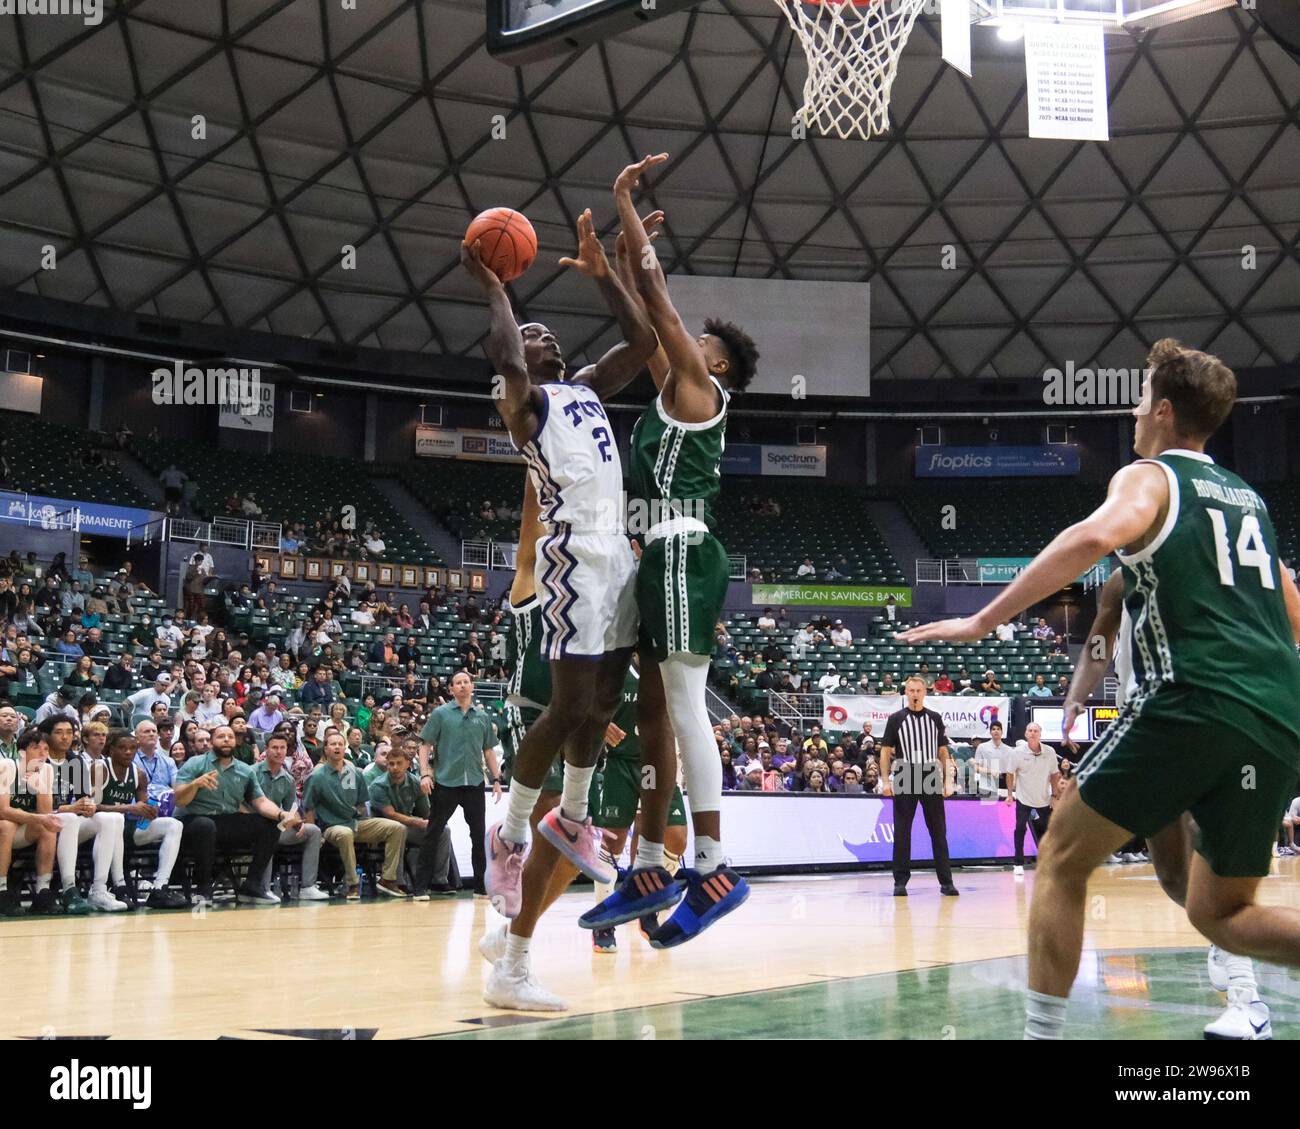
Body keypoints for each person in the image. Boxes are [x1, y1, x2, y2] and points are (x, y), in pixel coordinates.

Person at [901, 339, 1300, 1041]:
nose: (1134, 408)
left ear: (1166, 411)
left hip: (1192, 702)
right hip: (1275, 712)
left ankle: (1042, 1035)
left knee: (1061, 854)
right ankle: (1249, 1002)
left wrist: (983, 618)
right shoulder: (1250, 502)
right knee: (1217, 908)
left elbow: (1092, 536)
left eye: (1144, 398)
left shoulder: (1151, 476)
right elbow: (1292, 614)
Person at [460, 207, 657, 1012]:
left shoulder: (582, 391)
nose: (550, 341)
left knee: (602, 701)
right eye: (540, 335)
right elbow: (506, 352)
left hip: (616, 555)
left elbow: (643, 346)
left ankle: (573, 819)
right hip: (574, 554)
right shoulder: (527, 405)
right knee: (572, 701)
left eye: (551, 336)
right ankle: (510, 836)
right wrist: (493, 284)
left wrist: (610, 275)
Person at [1060, 565, 1271, 1039]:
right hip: (1143, 728)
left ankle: (1247, 1000)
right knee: (1175, 875)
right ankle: (1222, 938)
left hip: (1200, 713)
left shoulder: (1202, 563)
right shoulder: (1118, 582)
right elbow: (1098, 646)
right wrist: (1076, 697)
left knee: (1205, 848)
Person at [581, 655, 690, 953]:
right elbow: (585, 702)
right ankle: (604, 921)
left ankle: (647, 906)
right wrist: (601, 724)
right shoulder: (615, 667)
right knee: (612, 844)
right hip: (622, 763)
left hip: (659, 762)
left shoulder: (671, 668)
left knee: (676, 837)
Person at [172, 724, 298, 906]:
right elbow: (179, 800)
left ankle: (252, 885)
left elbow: (261, 802)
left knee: (270, 825)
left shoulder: (245, 770)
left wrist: (281, 814)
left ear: (236, 741)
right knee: (205, 826)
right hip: (192, 822)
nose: (226, 740)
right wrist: (195, 785)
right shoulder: (196, 763)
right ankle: (204, 889)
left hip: (226, 821)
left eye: (230, 736)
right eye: (221, 736)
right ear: (212, 741)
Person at [415, 671, 501, 898]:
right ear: (451, 689)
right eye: (457, 683)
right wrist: (425, 774)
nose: (462, 686)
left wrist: (496, 779)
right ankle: (420, 887)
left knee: (478, 835)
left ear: (472, 686)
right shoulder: (441, 714)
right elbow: (424, 746)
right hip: (445, 782)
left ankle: (481, 888)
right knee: (433, 834)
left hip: (473, 783)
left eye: (466, 682)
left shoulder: (482, 717)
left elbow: (489, 750)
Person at [879, 676, 958, 898]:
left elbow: (943, 752)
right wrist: (885, 781)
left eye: (918, 690)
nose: (914, 694)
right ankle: (900, 882)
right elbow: (885, 751)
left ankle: (946, 882)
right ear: (905, 692)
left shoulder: (934, 718)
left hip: (931, 773)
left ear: (925, 692)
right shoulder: (896, 719)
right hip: (905, 772)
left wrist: (947, 781)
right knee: (903, 831)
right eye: (911, 690)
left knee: (938, 832)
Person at [304, 730, 407, 900]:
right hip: (331, 827)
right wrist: (317, 835)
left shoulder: (354, 773)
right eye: (332, 744)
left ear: (345, 748)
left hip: (355, 822)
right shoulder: (316, 776)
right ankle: (352, 884)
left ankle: (387, 879)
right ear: (326, 750)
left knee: (397, 828)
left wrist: (370, 831)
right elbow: (309, 808)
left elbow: (361, 805)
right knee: (345, 834)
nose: (337, 747)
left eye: (340, 744)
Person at [93, 728, 188, 909]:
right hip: (100, 830)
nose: (128, 752)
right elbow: (89, 807)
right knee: (114, 818)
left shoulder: (139, 774)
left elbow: (141, 809)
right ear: (111, 749)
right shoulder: (99, 769)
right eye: (122, 748)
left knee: (173, 825)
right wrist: (128, 807)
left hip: (127, 829)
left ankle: (160, 888)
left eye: (132, 748)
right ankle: (110, 887)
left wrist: (150, 812)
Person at [41, 717, 127, 912]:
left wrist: (88, 805)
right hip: (44, 821)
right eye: (59, 732)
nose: (65, 737)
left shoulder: (75, 761)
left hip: (66, 824)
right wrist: (67, 809)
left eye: (70, 732)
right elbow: (38, 808)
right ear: (47, 735)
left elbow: (83, 797)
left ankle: (99, 890)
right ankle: (69, 889)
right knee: (70, 818)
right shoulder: (39, 759)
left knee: (111, 818)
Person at [254, 733, 328, 901]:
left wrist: (297, 822)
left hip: (278, 825)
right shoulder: (253, 772)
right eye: (274, 747)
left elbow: (292, 808)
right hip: (254, 826)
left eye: (282, 748)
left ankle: (308, 887)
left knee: (313, 830)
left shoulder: (288, 779)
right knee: (267, 833)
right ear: (266, 750)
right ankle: (264, 889)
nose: (278, 752)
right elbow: (242, 803)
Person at [0, 729, 65, 915]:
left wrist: (41, 787)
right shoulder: (7, 766)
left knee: (48, 826)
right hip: (4, 827)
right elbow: (3, 810)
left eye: (46, 748)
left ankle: (42, 891)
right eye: (36, 748)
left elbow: (45, 815)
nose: (43, 753)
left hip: (18, 830)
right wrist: (36, 817)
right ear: (22, 752)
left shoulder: (47, 770)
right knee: (6, 824)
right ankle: (1, 890)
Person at [1005, 723, 1062, 877]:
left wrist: (1055, 795)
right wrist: (1010, 794)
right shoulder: (1017, 753)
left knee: (1048, 831)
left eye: (1035, 731)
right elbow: (1010, 773)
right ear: (1025, 734)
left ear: (1040, 734)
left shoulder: (1049, 752)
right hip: (1024, 798)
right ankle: (1018, 863)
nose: (1032, 733)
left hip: (1043, 798)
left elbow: (1054, 775)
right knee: (1020, 829)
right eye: (1030, 730)